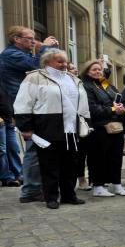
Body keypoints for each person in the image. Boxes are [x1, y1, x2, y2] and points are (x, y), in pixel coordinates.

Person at [13, 49, 90, 209]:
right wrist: (25, 126)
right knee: (49, 165)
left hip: (71, 128)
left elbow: (82, 104)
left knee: (70, 164)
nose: (64, 64)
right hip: (47, 127)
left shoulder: (73, 79)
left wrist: (86, 122)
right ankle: (51, 197)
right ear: (47, 62)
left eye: (65, 61)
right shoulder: (34, 77)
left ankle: (69, 195)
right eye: (59, 61)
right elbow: (23, 102)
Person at [0, 26, 58, 197]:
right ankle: (30, 188)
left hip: (23, 105)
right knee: (33, 146)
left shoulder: (19, 54)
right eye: (29, 38)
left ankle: (28, 183)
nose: (33, 41)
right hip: (24, 107)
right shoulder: (11, 54)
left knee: (28, 146)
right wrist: (45, 47)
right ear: (16, 39)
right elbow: (37, 65)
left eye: (34, 38)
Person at [81, 59, 125, 197]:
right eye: (94, 70)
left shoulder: (105, 83)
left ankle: (117, 184)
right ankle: (98, 186)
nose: (98, 72)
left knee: (116, 157)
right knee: (98, 158)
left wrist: (120, 108)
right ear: (87, 72)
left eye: (99, 69)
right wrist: (114, 109)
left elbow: (117, 98)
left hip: (115, 126)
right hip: (99, 128)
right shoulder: (86, 86)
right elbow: (92, 109)